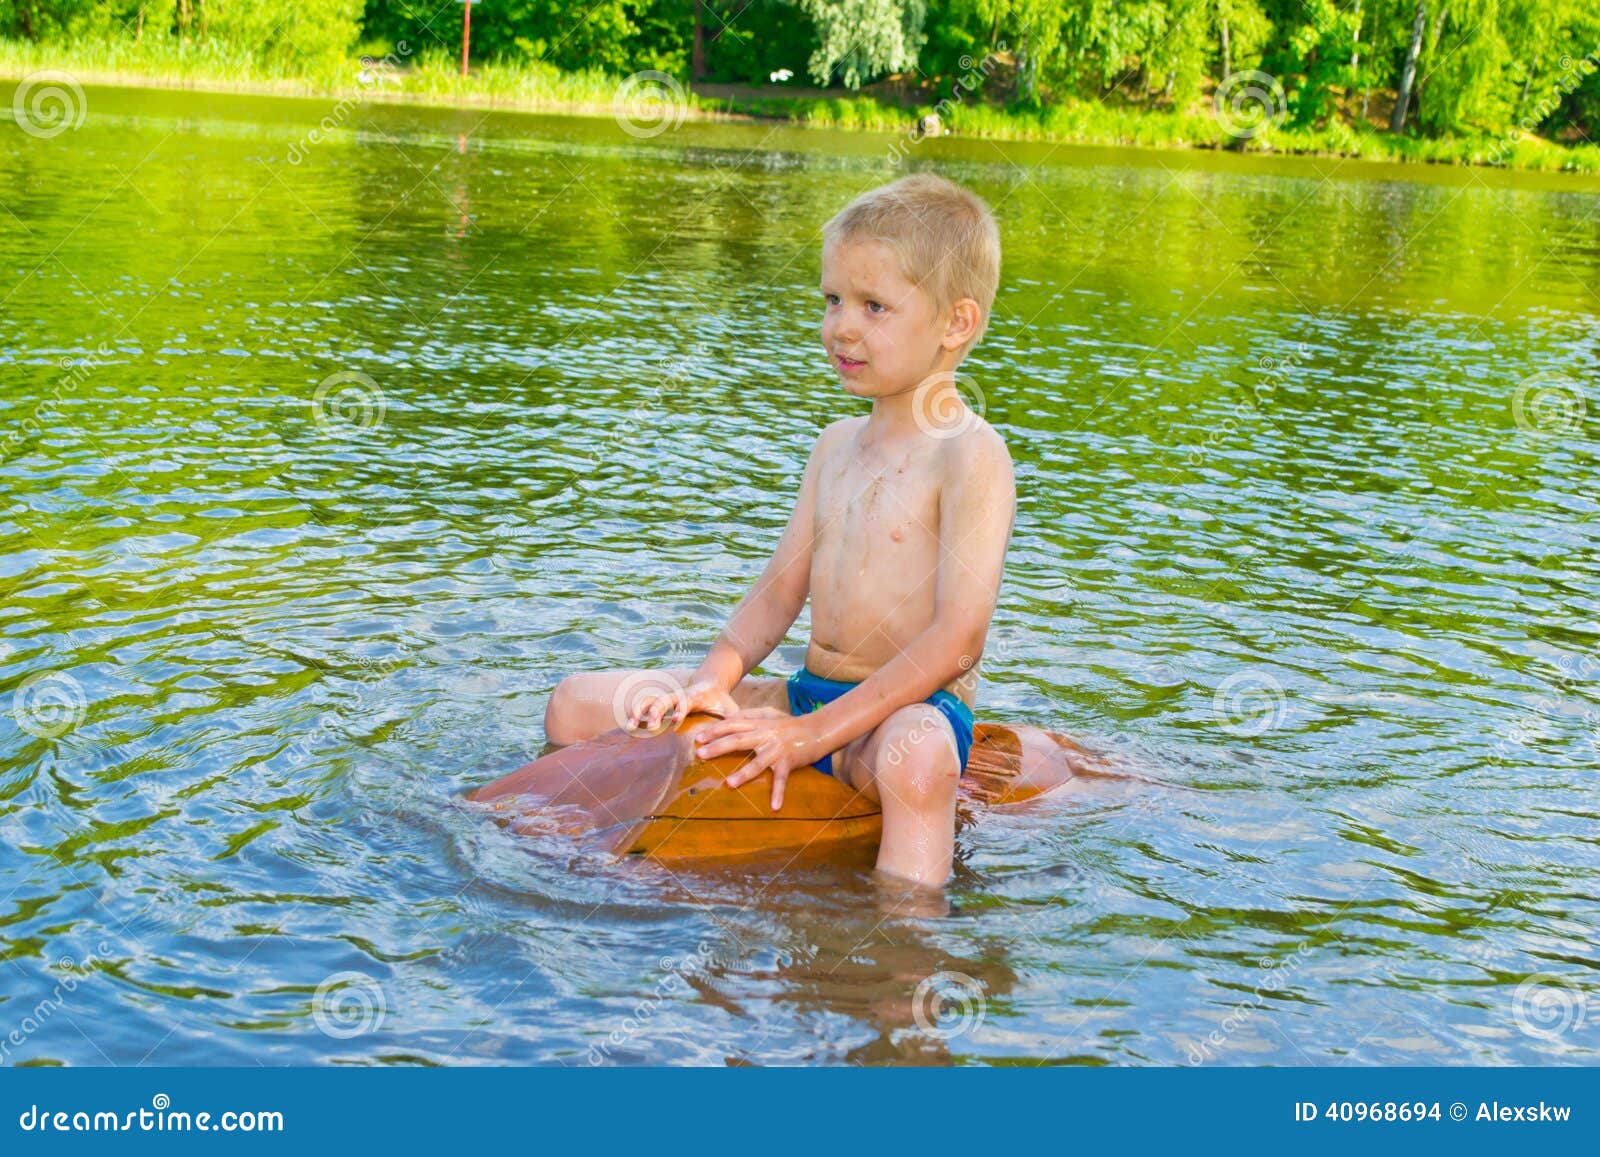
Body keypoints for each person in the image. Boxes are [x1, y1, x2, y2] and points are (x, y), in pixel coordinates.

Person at [543, 173, 1014, 888]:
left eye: (873, 306)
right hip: (801, 693)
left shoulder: (969, 454)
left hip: (898, 716)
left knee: (916, 758)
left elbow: (959, 640)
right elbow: (774, 597)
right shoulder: (834, 445)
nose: (840, 327)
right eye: (832, 300)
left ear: (956, 322)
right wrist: (710, 684)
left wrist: (813, 739)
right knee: (574, 701)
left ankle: (903, 943)